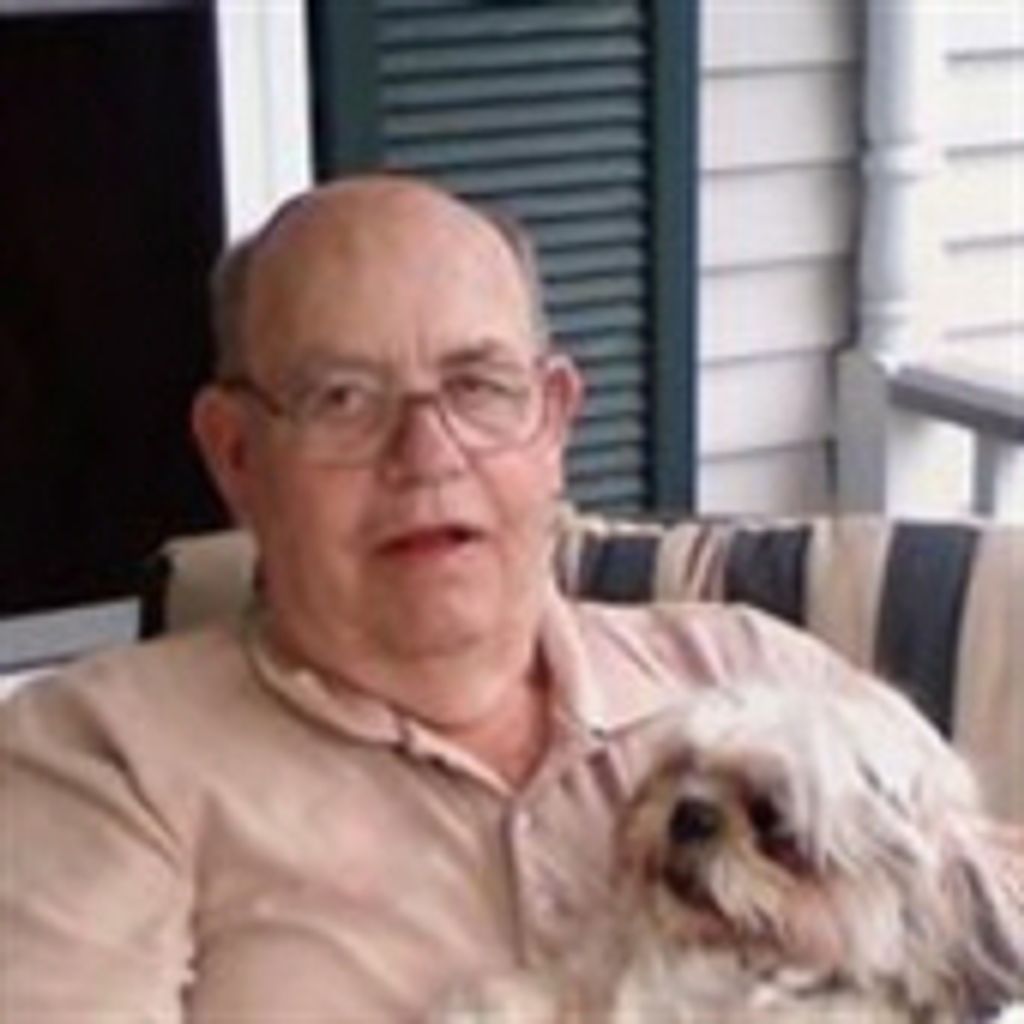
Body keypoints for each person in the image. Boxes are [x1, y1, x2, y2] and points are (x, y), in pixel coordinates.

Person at [0, 175, 1018, 1021]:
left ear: (554, 422)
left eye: (478, 387)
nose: (426, 455)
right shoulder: (97, 757)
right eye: (342, 398)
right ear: (236, 454)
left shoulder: (756, 667)